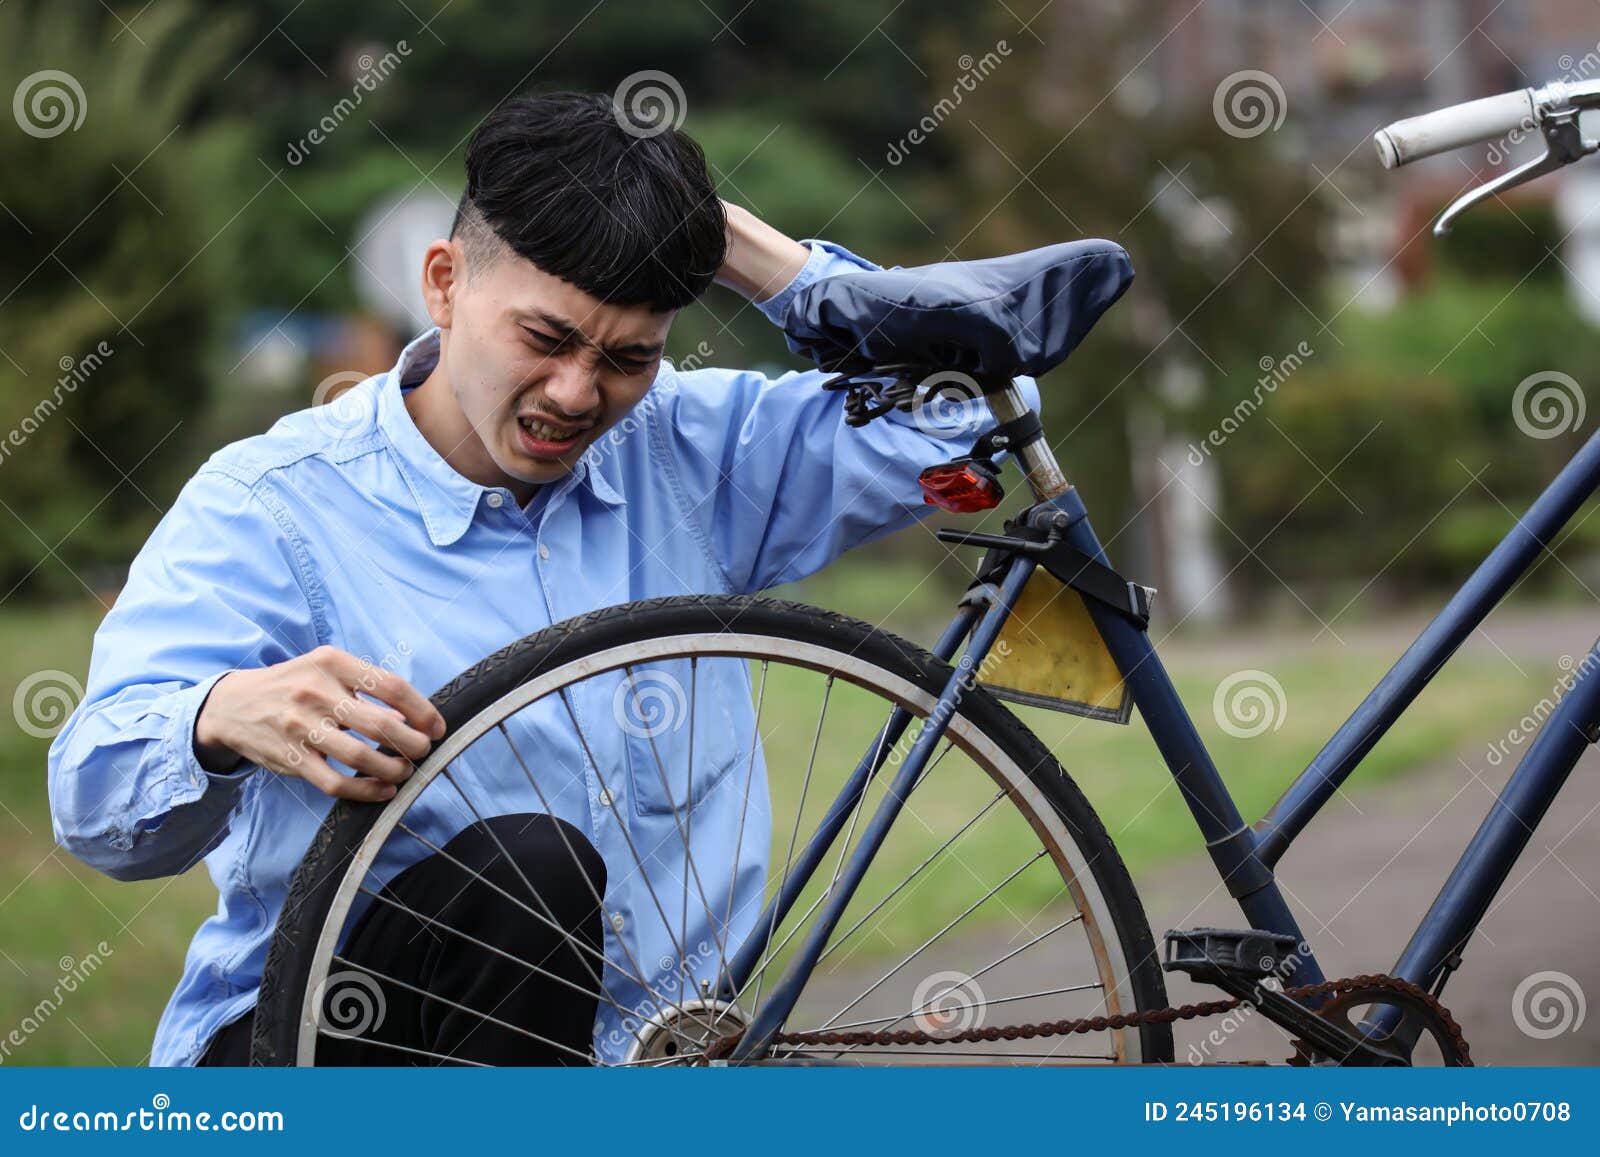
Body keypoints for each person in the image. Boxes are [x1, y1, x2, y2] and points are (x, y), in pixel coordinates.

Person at [47, 91, 1039, 1066]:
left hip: (639, 1064)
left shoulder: (691, 452)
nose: (576, 394)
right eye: (546, 339)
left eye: (628, 356)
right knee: (531, 866)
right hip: (320, 1047)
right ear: (442, 283)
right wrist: (221, 714)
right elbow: (95, 808)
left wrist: (753, 258)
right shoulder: (271, 506)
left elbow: (983, 413)